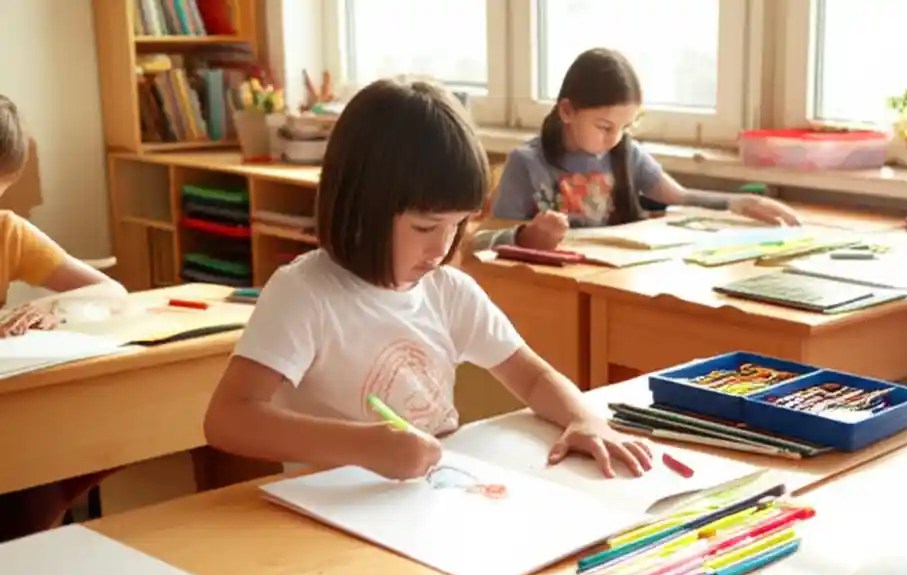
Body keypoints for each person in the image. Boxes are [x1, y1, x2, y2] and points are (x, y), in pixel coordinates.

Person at [203, 79, 652, 480]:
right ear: (361, 208)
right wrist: (363, 446)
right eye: (424, 227)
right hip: (330, 511)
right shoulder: (304, 294)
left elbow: (532, 377)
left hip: (433, 497)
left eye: (456, 226)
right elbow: (229, 418)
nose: (441, 248)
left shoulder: (448, 292)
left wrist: (584, 419)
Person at [481, 48, 798, 251]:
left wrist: (739, 203)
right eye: (604, 127)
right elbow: (480, 242)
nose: (614, 139)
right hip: (547, 289)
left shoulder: (626, 154)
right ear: (567, 111)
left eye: (626, 127)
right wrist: (525, 238)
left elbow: (679, 196)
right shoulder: (528, 163)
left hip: (610, 278)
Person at [0, 94, 126, 541]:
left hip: (13, 405)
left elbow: (110, 291)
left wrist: (49, 308)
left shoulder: (8, 232)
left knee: (76, 441)